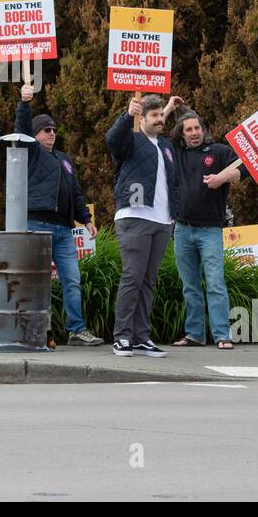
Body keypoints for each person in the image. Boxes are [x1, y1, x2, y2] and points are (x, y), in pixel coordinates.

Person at [16, 84, 102, 346]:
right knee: (38, 283)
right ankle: (40, 332)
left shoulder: (64, 159)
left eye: (54, 130)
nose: (52, 133)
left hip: (64, 230)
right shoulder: (30, 152)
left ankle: (76, 330)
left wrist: (86, 219)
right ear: (35, 135)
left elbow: (75, 192)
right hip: (38, 224)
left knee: (72, 281)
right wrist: (25, 104)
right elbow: (20, 130)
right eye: (46, 130)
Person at [164, 97, 249, 349]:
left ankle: (222, 334)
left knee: (215, 283)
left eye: (197, 128)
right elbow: (154, 136)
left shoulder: (219, 151)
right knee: (190, 286)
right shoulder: (174, 153)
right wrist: (169, 108)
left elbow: (244, 167)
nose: (194, 133)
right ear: (181, 133)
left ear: (203, 129)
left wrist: (221, 178)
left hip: (210, 230)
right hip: (182, 229)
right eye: (188, 129)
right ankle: (195, 334)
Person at [106, 93, 180, 356]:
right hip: (134, 216)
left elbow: (173, 183)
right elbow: (112, 141)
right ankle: (122, 337)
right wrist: (127, 115)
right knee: (132, 277)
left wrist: (174, 214)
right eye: (154, 115)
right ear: (142, 117)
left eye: (162, 115)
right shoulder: (132, 139)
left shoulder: (167, 146)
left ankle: (140, 337)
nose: (160, 119)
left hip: (162, 221)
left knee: (148, 280)